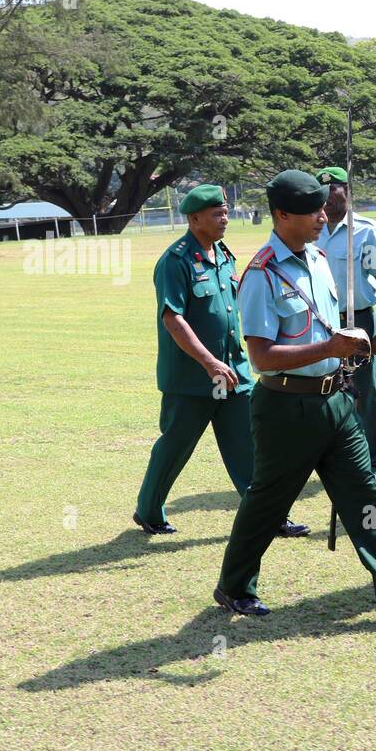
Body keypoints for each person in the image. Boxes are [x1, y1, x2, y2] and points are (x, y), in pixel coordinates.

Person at [213, 170, 376, 624]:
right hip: (286, 406)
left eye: (324, 207)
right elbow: (262, 357)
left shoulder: (320, 259)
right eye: (312, 211)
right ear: (282, 215)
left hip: (336, 400)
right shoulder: (262, 274)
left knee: (364, 497)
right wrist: (329, 348)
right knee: (269, 501)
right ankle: (234, 585)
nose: (324, 217)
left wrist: (347, 347)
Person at [134, 184, 309, 539]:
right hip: (192, 379)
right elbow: (173, 318)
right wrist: (209, 362)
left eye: (226, 211)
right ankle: (149, 510)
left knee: (250, 447)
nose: (224, 218)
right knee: (175, 446)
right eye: (217, 214)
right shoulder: (175, 261)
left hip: (234, 374)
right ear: (194, 218)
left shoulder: (225, 254)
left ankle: (269, 516)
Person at [315, 166, 376, 479]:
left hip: (357, 319)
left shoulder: (365, 230)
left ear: (347, 191)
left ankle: (372, 461)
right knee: (325, 389)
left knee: (365, 392)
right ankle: (332, 455)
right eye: (321, 194)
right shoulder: (312, 229)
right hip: (322, 321)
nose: (327, 199)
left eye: (332, 190)